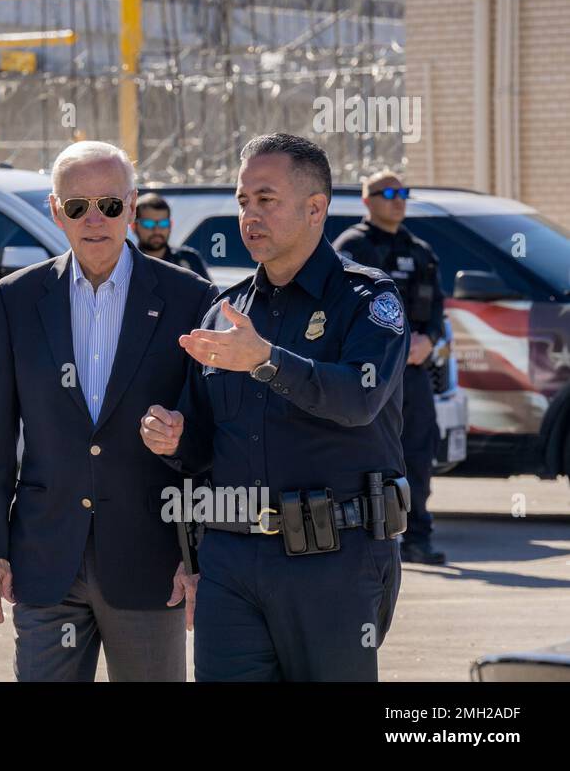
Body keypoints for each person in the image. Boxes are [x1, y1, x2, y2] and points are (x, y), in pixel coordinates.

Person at [141, 133, 408, 682]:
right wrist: (173, 438)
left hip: (333, 558)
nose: (250, 215)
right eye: (243, 201)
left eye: (267, 199)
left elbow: (358, 399)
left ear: (316, 208)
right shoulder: (226, 310)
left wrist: (266, 360)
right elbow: (203, 447)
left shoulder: (367, 299)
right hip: (231, 564)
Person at [0, 141, 215, 682]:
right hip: (45, 559)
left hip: (152, 562)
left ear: (131, 206)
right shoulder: (16, 298)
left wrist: (197, 557)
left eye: (108, 204)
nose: (94, 218)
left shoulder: (189, 297)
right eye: (77, 206)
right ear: (56, 211)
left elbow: (214, 438)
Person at [333, 171, 447, 564]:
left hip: (412, 373)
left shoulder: (421, 252)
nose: (398, 200)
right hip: (370, 372)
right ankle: (370, 534)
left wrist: (429, 339)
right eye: (389, 193)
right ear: (367, 200)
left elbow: (436, 311)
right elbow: (340, 310)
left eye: (404, 193)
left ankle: (418, 536)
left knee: (418, 451)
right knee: (369, 451)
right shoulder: (352, 247)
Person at [131, 192, 212, 281]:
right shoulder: (126, 263)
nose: (157, 230)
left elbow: (211, 294)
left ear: (170, 225)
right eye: (148, 224)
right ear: (134, 227)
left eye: (163, 223)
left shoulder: (190, 261)